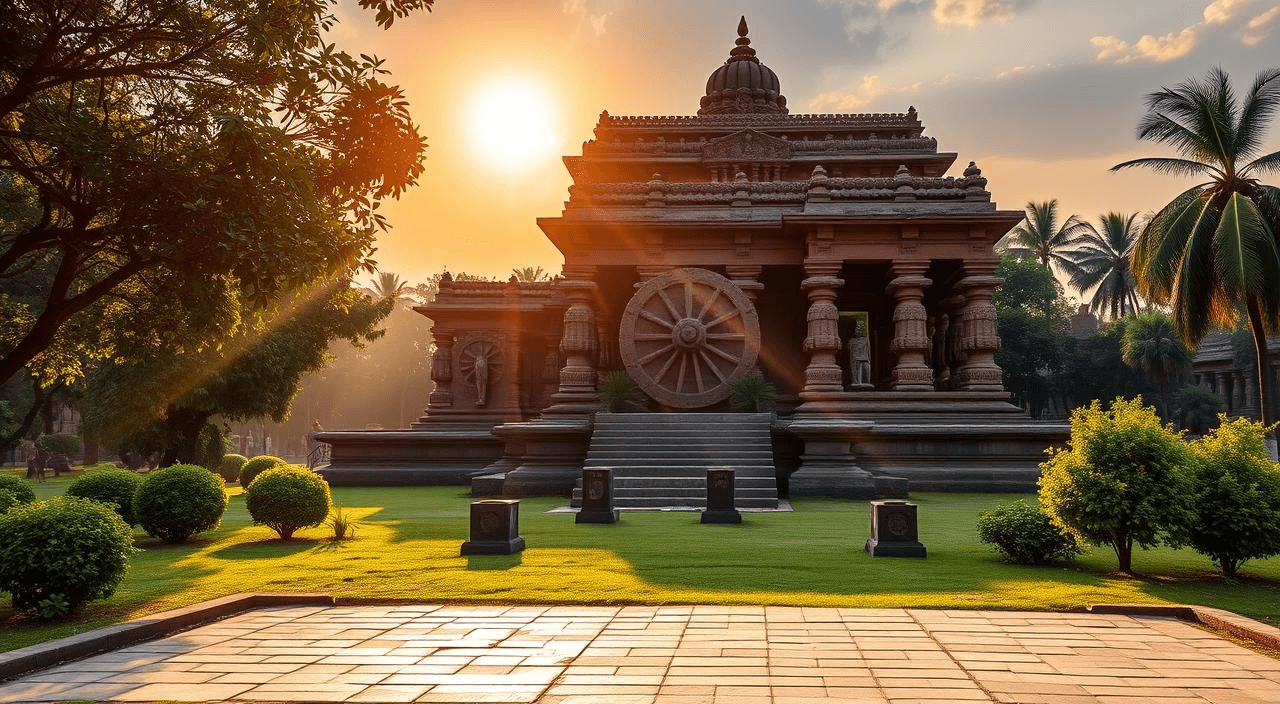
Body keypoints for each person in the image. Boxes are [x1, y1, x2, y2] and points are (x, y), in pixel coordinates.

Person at [848, 320, 871, 388]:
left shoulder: (866, 340)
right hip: (855, 358)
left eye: (860, 330)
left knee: (866, 369)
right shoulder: (851, 341)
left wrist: (868, 359)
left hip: (864, 358)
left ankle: (866, 381)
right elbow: (850, 350)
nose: (858, 332)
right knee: (855, 371)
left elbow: (868, 350)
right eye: (857, 330)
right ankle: (855, 381)